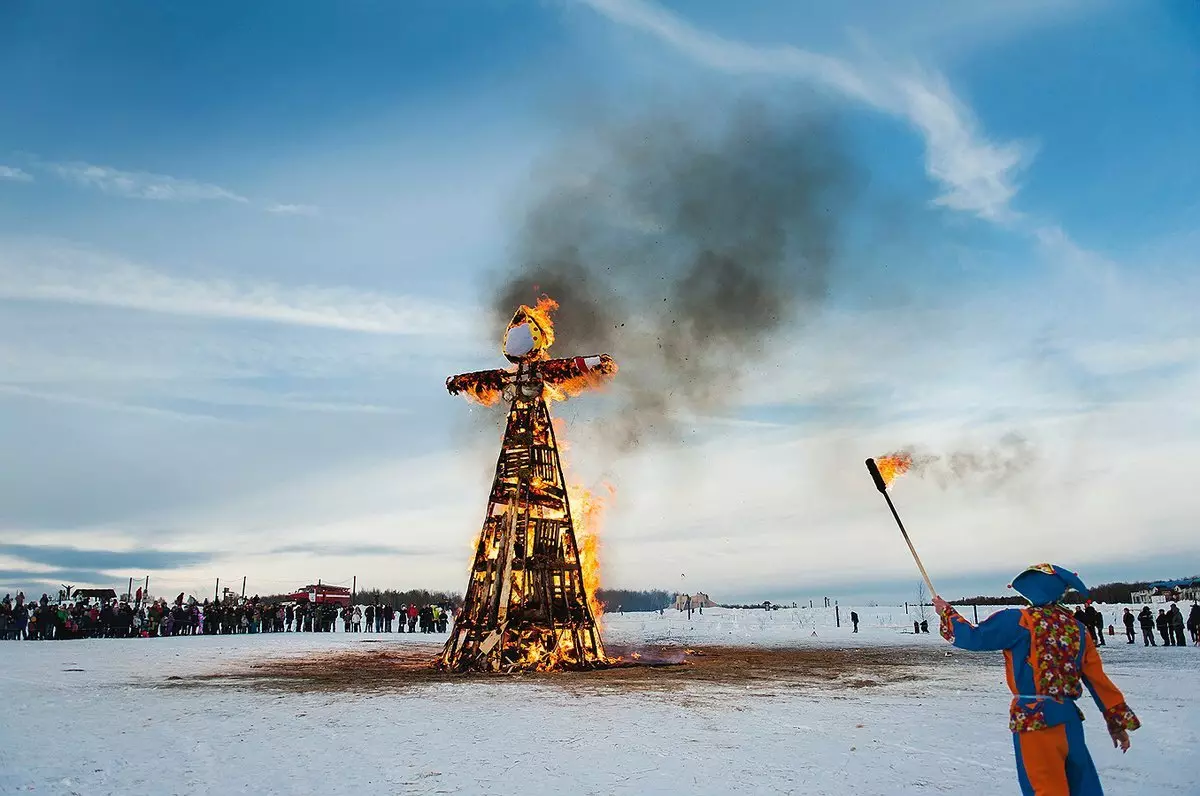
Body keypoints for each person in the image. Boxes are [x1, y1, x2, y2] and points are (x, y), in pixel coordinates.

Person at [932, 564, 1139, 796]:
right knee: (1083, 788)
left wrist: (946, 612)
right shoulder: (1077, 628)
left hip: (1035, 720)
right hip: (1070, 720)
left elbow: (973, 637)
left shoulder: (1020, 620)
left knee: (1045, 789)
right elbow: (1098, 680)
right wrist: (1116, 721)